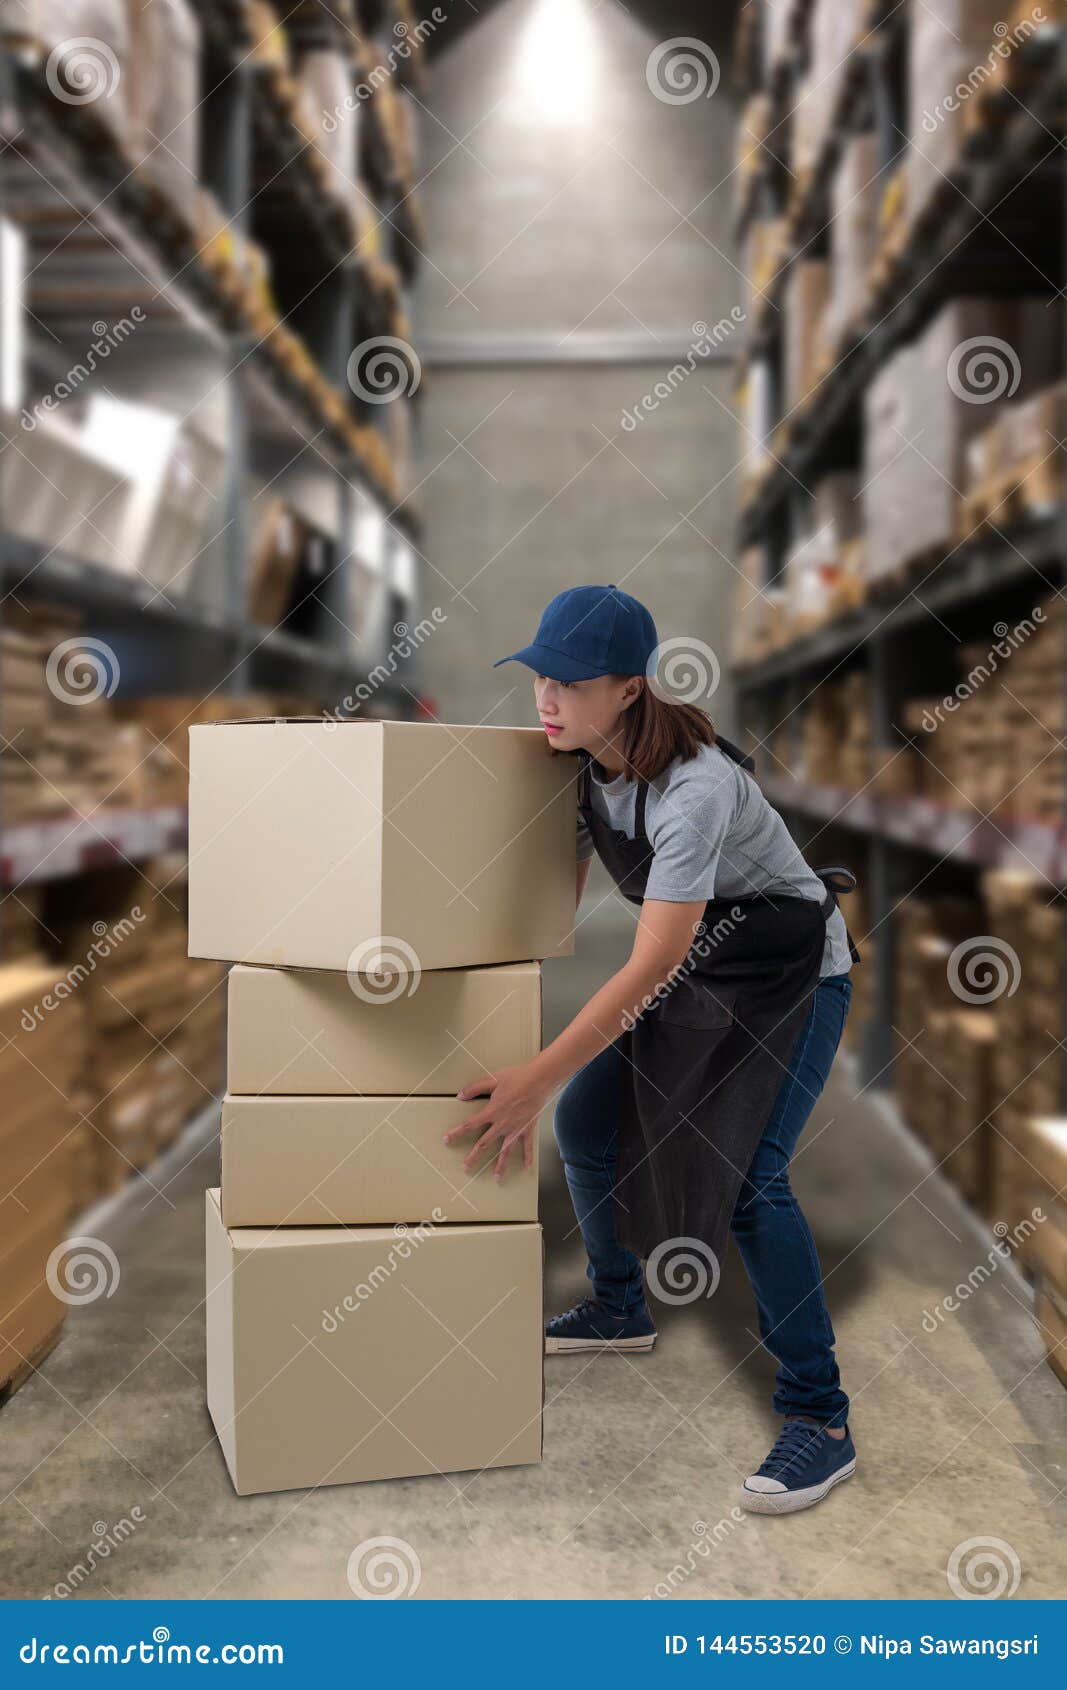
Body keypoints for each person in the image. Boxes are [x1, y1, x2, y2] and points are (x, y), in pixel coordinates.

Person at [443, 584, 858, 1515]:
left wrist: (534, 1078)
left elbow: (651, 960)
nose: (545, 699)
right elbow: (543, 893)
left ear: (629, 688)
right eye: (538, 677)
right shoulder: (581, 765)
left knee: (753, 1178)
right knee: (592, 1125)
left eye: (571, 682)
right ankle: (619, 1305)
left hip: (793, 973)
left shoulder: (695, 789)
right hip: (705, 970)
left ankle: (820, 1420)